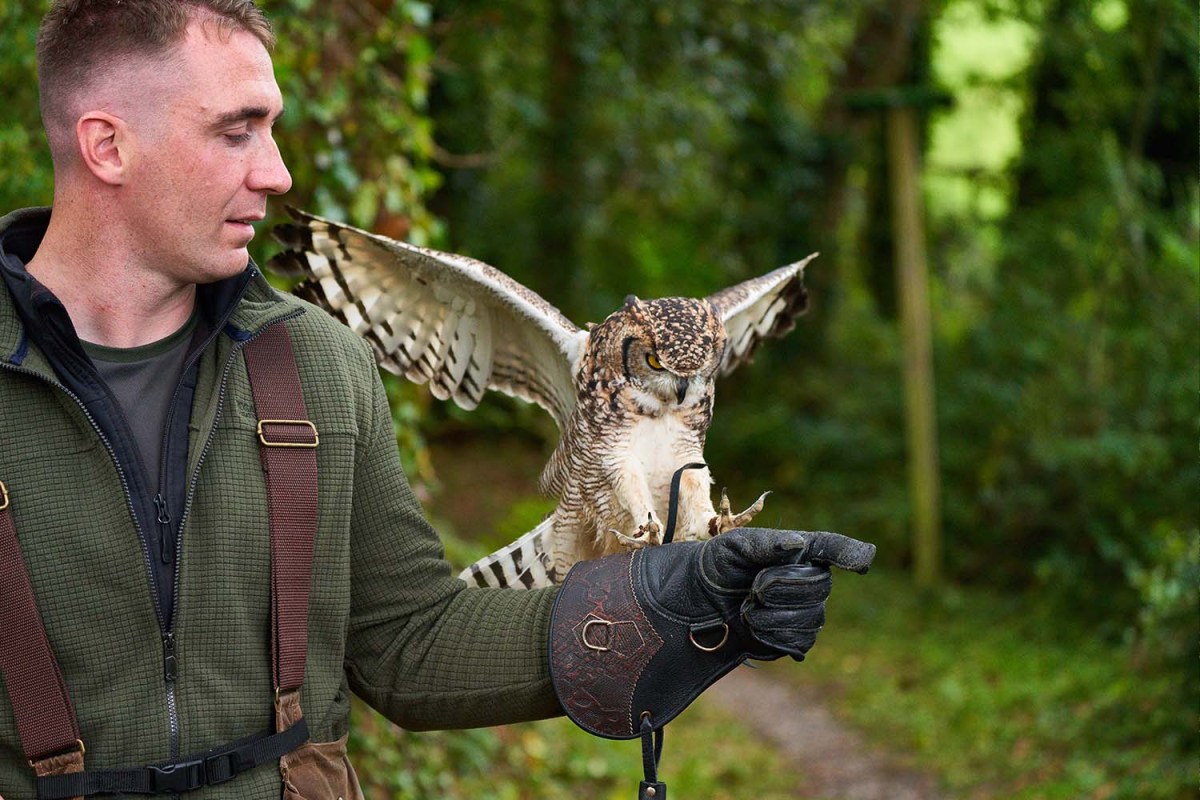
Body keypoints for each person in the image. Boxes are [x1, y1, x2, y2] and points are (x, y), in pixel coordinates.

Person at [0, 1, 874, 798]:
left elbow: (410, 647)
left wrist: (682, 603)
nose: (277, 172)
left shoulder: (314, 365)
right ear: (107, 146)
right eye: (236, 132)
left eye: (273, 129)